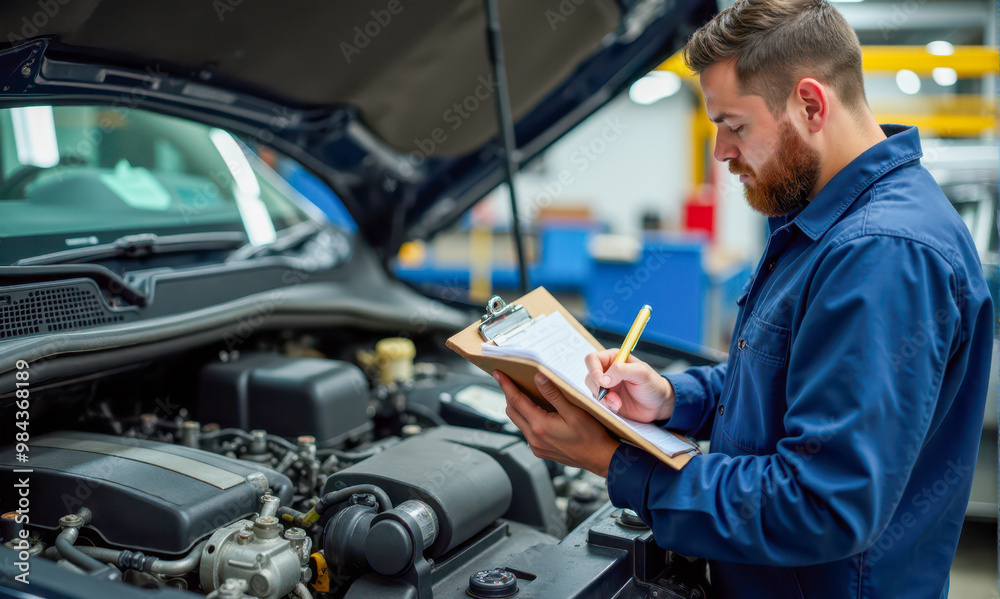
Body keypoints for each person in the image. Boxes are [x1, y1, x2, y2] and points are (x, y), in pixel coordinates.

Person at [492, 1, 994, 597]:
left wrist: (614, 463)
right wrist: (672, 397)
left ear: (810, 104)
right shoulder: (832, 222)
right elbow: (790, 380)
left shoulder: (881, 252)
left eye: (734, 125)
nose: (722, 153)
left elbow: (820, 507)